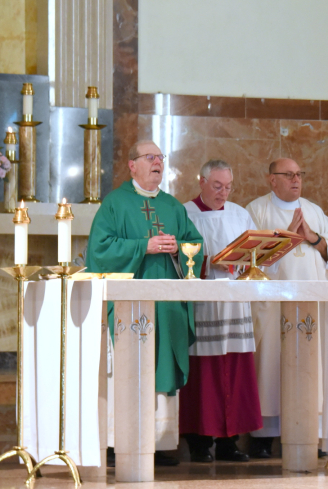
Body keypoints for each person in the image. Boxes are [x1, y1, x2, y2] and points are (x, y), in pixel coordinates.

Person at [86, 140, 203, 466]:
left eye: (161, 158)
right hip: (129, 301)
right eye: (150, 157)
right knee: (127, 367)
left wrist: (178, 247)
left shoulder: (172, 206)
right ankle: (117, 442)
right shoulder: (114, 204)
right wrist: (144, 246)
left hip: (165, 305)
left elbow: (195, 243)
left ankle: (158, 442)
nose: (157, 163)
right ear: (132, 165)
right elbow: (98, 250)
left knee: (160, 365)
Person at [245, 158, 328, 458]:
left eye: (299, 174)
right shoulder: (256, 210)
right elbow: (249, 258)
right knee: (270, 364)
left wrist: (313, 238)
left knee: (311, 366)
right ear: (271, 179)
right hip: (273, 305)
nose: (296, 180)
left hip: (310, 302)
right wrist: (286, 237)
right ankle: (264, 435)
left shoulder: (314, 211)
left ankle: (311, 431)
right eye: (288, 175)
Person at [180, 160, 263, 462]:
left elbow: (255, 256)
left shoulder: (241, 214)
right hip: (203, 302)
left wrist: (245, 261)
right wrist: (208, 262)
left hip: (234, 301)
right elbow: (178, 255)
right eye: (217, 186)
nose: (223, 193)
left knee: (235, 368)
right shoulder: (185, 213)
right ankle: (200, 441)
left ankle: (230, 441)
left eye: (228, 187)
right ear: (201, 181)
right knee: (204, 371)